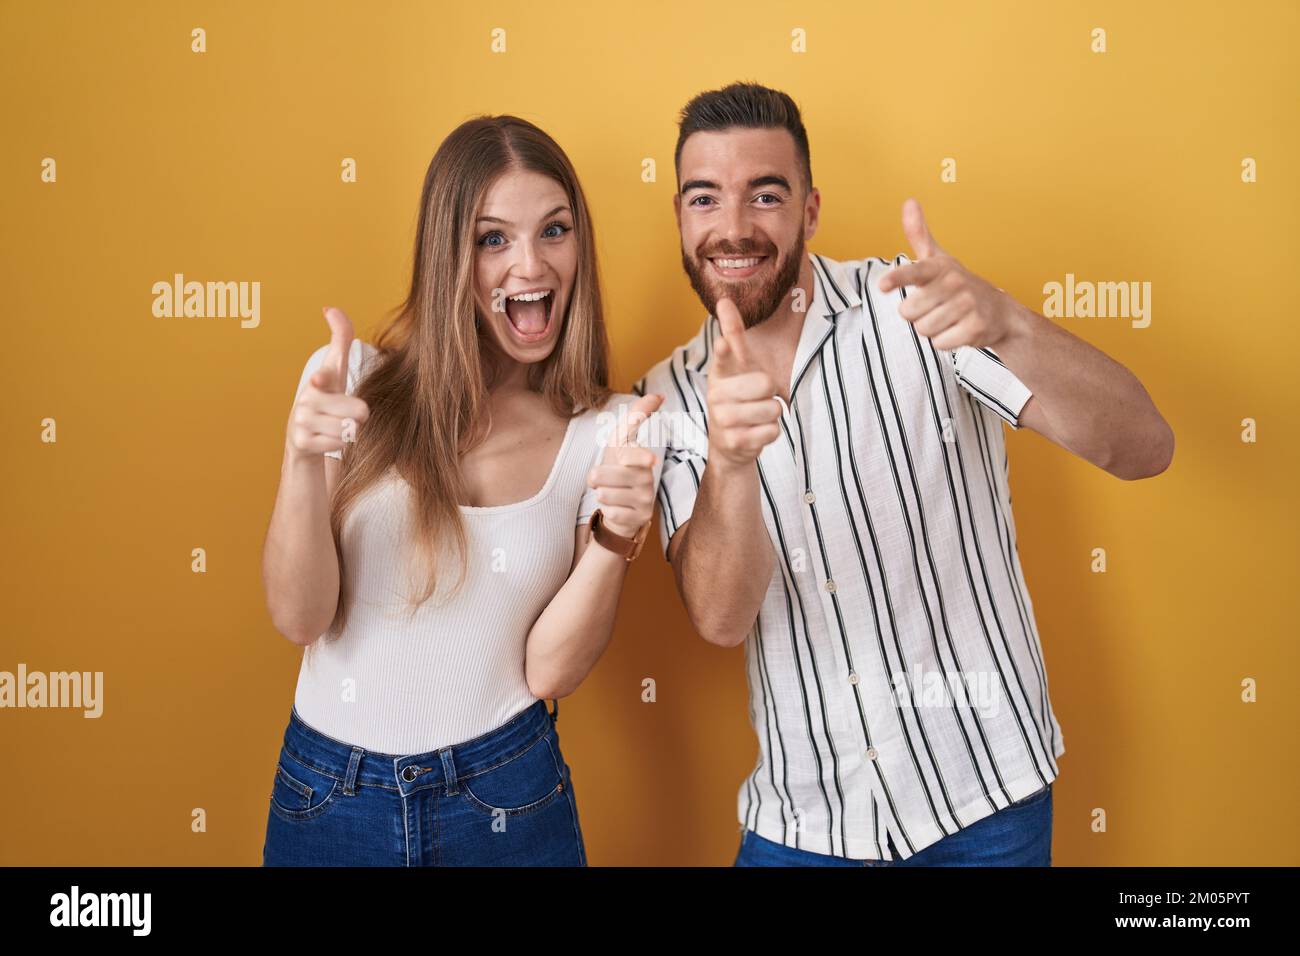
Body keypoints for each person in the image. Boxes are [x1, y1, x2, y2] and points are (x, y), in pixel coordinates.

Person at [636, 82, 1174, 866]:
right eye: (705, 198)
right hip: (804, 826)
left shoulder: (917, 309)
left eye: (766, 195)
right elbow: (721, 619)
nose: (734, 227)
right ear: (681, 218)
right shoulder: (665, 395)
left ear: (810, 211)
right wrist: (731, 463)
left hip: (985, 800)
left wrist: (1012, 323)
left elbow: (1143, 446)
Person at [260, 115, 663, 866]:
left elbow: (550, 672)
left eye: (555, 230)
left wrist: (615, 538)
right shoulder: (353, 384)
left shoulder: (612, 432)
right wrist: (298, 457)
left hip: (504, 793)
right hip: (329, 798)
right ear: (449, 256)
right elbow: (298, 614)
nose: (530, 266)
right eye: (492, 239)